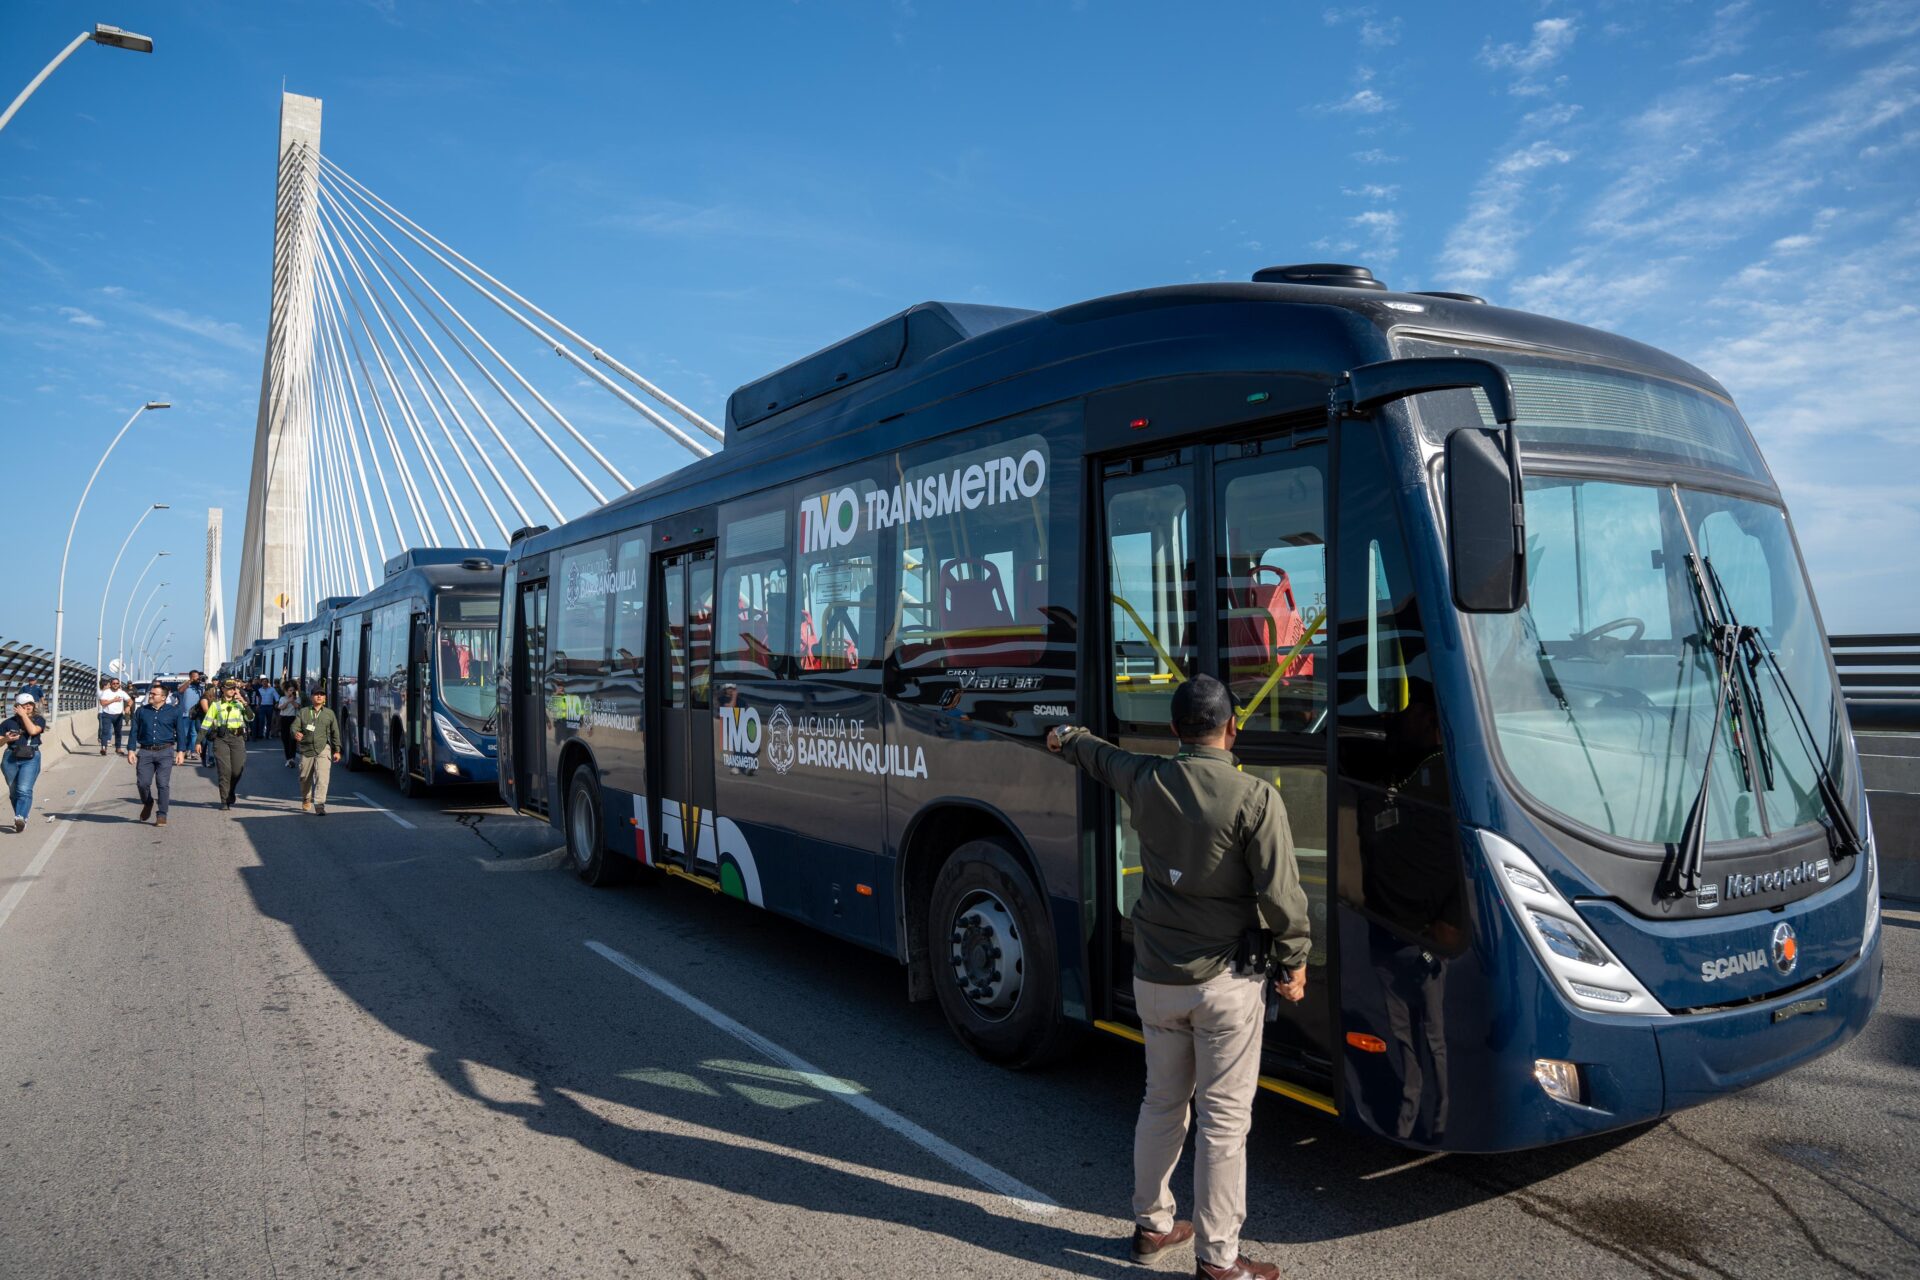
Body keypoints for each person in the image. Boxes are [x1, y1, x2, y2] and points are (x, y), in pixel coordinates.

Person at [1047, 674, 1310, 1280]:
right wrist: (1294, 961)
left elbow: (1097, 755)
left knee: (1162, 1102)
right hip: (1225, 986)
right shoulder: (1254, 798)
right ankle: (1218, 1259)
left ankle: (1152, 1226)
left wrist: (1066, 736)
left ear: (1175, 730)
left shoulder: (1147, 777)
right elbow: (1281, 897)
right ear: (1231, 727)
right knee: (1223, 1123)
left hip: (1154, 978)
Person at [127, 681, 188, 826]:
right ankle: (148, 802)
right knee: (142, 783)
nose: (151, 696)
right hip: (145, 751)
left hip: (165, 751)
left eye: (154, 694)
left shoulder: (174, 712)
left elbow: (180, 732)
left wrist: (181, 751)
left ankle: (162, 814)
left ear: (163, 697)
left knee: (162, 783)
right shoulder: (141, 711)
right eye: (151, 693)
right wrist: (131, 750)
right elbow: (134, 731)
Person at [202, 679, 254, 810]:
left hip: (237, 738)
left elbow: (250, 717)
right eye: (229, 688)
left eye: (234, 688)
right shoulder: (216, 705)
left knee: (237, 770)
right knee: (224, 771)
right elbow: (206, 723)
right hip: (221, 739)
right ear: (223, 689)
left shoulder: (240, 704)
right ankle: (224, 800)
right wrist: (198, 742)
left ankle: (231, 791)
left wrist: (244, 703)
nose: (232, 690)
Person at [1, 691, 47, 832]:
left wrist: (23, 716)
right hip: (10, 757)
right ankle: (20, 817)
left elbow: (33, 731)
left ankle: (21, 817)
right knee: (14, 791)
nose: (28, 707)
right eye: (24, 705)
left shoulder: (39, 719)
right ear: (17, 706)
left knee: (24, 789)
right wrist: (7, 739)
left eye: (30, 704)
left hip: (31, 757)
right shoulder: (8, 723)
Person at [292, 686, 341, 815]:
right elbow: (294, 726)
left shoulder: (329, 713)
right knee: (304, 777)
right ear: (311, 697)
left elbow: (335, 732)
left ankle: (319, 804)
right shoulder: (303, 712)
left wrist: (337, 750)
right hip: (306, 749)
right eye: (316, 694)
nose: (319, 696)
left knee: (322, 778)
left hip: (323, 748)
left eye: (321, 694)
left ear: (324, 698)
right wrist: (296, 733)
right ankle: (306, 798)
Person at [97, 676, 130, 756]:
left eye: (117, 683)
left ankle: (118, 748)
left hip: (118, 715)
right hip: (107, 714)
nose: (115, 685)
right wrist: (113, 700)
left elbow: (130, 700)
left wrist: (128, 706)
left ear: (119, 684)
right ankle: (103, 748)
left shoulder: (121, 692)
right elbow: (102, 703)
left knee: (118, 732)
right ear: (111, 684)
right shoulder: (106, 692)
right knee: (105, 731)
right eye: (114, 683)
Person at [178, 671, 206, 766]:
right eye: (195, 677)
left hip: (196, 715)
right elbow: (180, 690)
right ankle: (184, 750)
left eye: (198, 676)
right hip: (185, 714)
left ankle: (193, 751)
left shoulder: (200, 687)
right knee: (185, 734)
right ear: (190, 677)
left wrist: (203, 683)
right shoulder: (186, 685)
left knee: (194, 734)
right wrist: (190, 681)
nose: (197, 678)